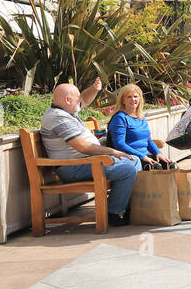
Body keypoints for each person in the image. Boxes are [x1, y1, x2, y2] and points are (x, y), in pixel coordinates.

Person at [39, 79, 139, 227]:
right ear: (68, 100)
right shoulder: (58, 117)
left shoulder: (66, 109)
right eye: (77, 98)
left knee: (134, 160)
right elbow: (83, 147)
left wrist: (94, 89)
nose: (80, 101)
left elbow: (85, 99)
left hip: (86, 162)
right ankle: (112, 212)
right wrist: (112, 152)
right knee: (128, 169)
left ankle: (126, 206)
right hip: (72, 168)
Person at [107, 84, 170, 170]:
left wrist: (158, 153)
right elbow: (119, 144)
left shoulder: (141, 117)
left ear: (140, 99)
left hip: (145, 155)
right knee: (156, 168)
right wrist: (142, 157)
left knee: (169, 165)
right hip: (130, 158)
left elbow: (148, 140)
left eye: (135, 96)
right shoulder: (120, 118)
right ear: (122, 100)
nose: (133, 99)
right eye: (129, 97)